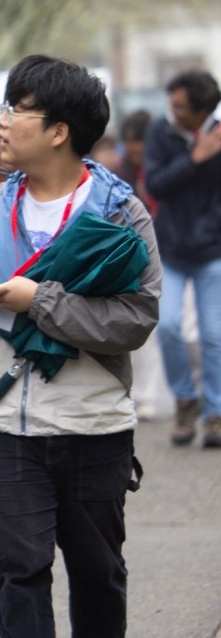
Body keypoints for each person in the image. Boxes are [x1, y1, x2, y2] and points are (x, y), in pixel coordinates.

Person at [0, 54, 159, 638]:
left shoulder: (119, 214)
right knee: (15, 575)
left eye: (17, 109)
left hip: (94, 426)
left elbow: (136, 318)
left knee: (98, 575)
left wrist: (39, 302)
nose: (2, 122)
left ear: (59, 132)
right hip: (2, 427)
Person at [144, 70, 221, 447]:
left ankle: (216, 414)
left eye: (180, 106)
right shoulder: (161, 131)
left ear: (202, 110)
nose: (171, 111)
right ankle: (185, 399)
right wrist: (196, 156)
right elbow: (154, 184)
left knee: (214, 335)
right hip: (171, 249)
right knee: (169, 327)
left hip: (214, 251)